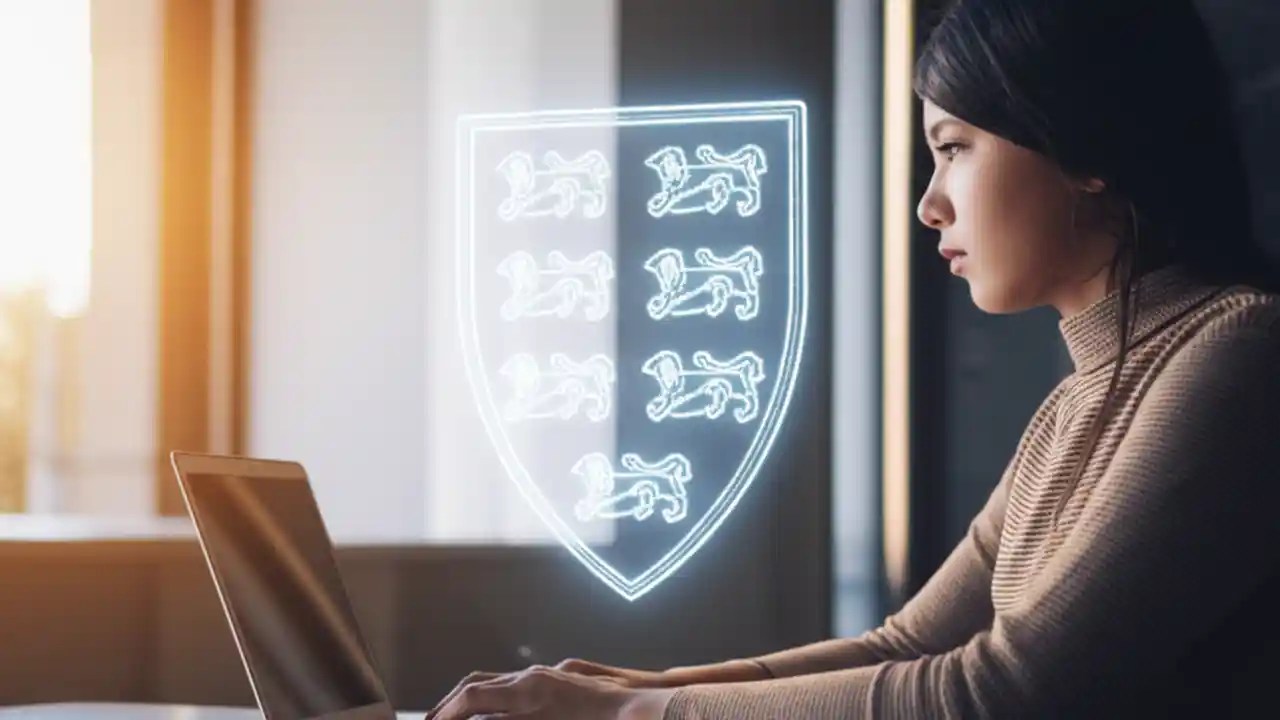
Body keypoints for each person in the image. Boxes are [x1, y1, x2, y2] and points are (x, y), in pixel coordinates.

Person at [426, 0, 1280, 717]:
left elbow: (1007, 691)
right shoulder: (1078, 403)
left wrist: (632, 713)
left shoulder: (1237, 352)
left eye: (954, 148)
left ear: (1086, 148)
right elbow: (905, 645)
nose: (930, 204)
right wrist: (635, 687)